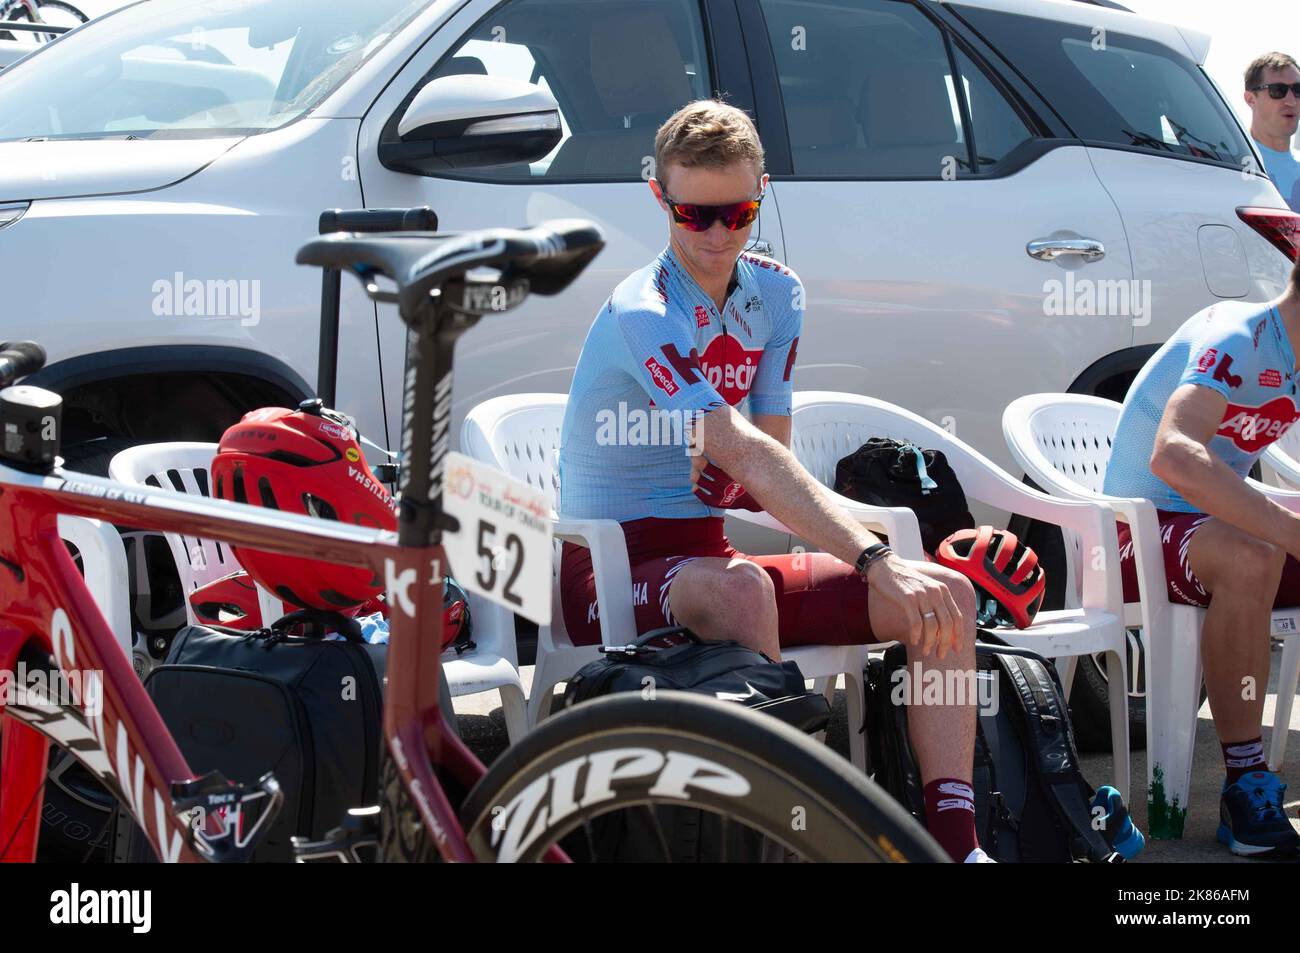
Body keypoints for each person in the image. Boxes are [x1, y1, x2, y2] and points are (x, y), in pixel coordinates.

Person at [557, 99, 987, 863]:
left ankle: (957, 847)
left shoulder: (778, 294)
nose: (720, 234)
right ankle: (782, 845)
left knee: (945, 597)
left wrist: (730, 475)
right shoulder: (643, 308)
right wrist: (872, 557)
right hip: (607, 571)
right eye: (696, 214)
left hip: (707, 559)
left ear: (761, 192)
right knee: (751, 591)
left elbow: (762, 461)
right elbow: (750, 454)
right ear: (659, 199)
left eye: (740, 212)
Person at [1105, 252, 1300, 857]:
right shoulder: (1237, 335)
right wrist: (1290, 531)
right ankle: (1245, 783)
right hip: (1131, 533)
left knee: (1258, 548)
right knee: (1255, 556)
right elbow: (1174, 456)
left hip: (1206, 527)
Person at [1244, 52, 1300, 212]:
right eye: (1277, 90)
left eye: (1298, 90)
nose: (1291, 101)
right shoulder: (1228, 162)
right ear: (1250, 99)